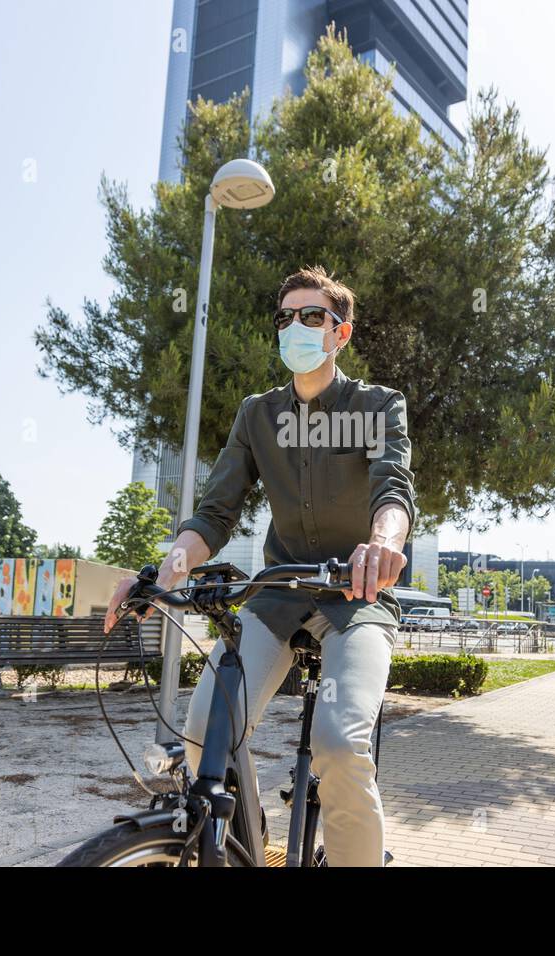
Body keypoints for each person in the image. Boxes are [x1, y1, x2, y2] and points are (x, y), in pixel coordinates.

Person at [104, 265, 415, 866]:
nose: (295, 327)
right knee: (200, 736)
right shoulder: (256, 415)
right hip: (274, 599)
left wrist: (380, 543)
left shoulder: (378, 405)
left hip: (356, 599)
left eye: (311, 317)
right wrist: (161, 572)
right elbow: (214, 514)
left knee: (340, 746)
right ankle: (245, 842)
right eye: (285, 318)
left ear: (340, 333)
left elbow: (392, 490)